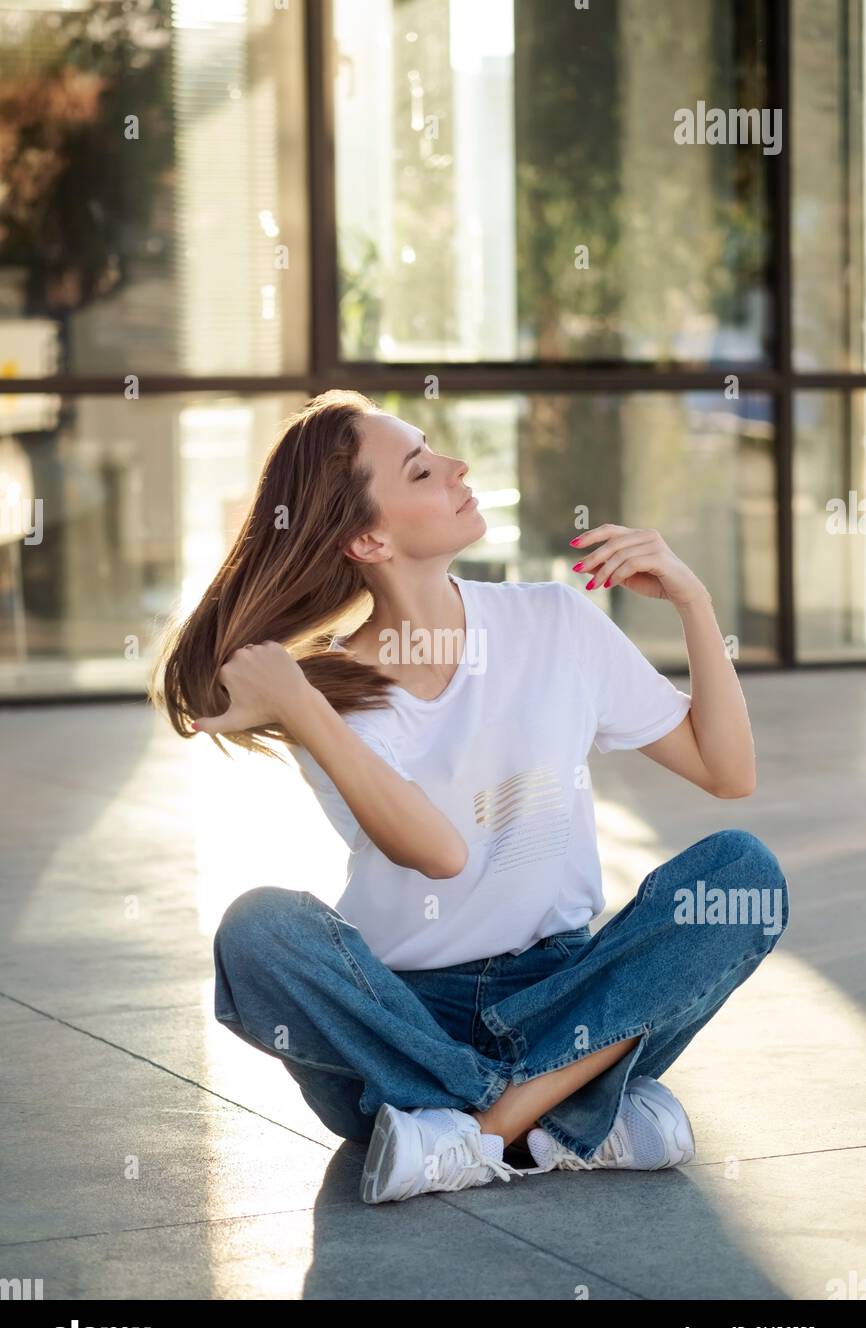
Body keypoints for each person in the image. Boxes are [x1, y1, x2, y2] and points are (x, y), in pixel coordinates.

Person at [148, 388, 790, 1205]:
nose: (456, 468)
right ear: (369, 537)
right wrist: (304, 705)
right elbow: (440, 852)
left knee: (743, 875)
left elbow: (725, 771)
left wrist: (694, 600)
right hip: (397, 1025)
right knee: (258, 930)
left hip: (571, 996)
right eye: (421, 468)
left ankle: (476, 1138)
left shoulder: (556, 622)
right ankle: (565, 1117)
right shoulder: (329, 694)